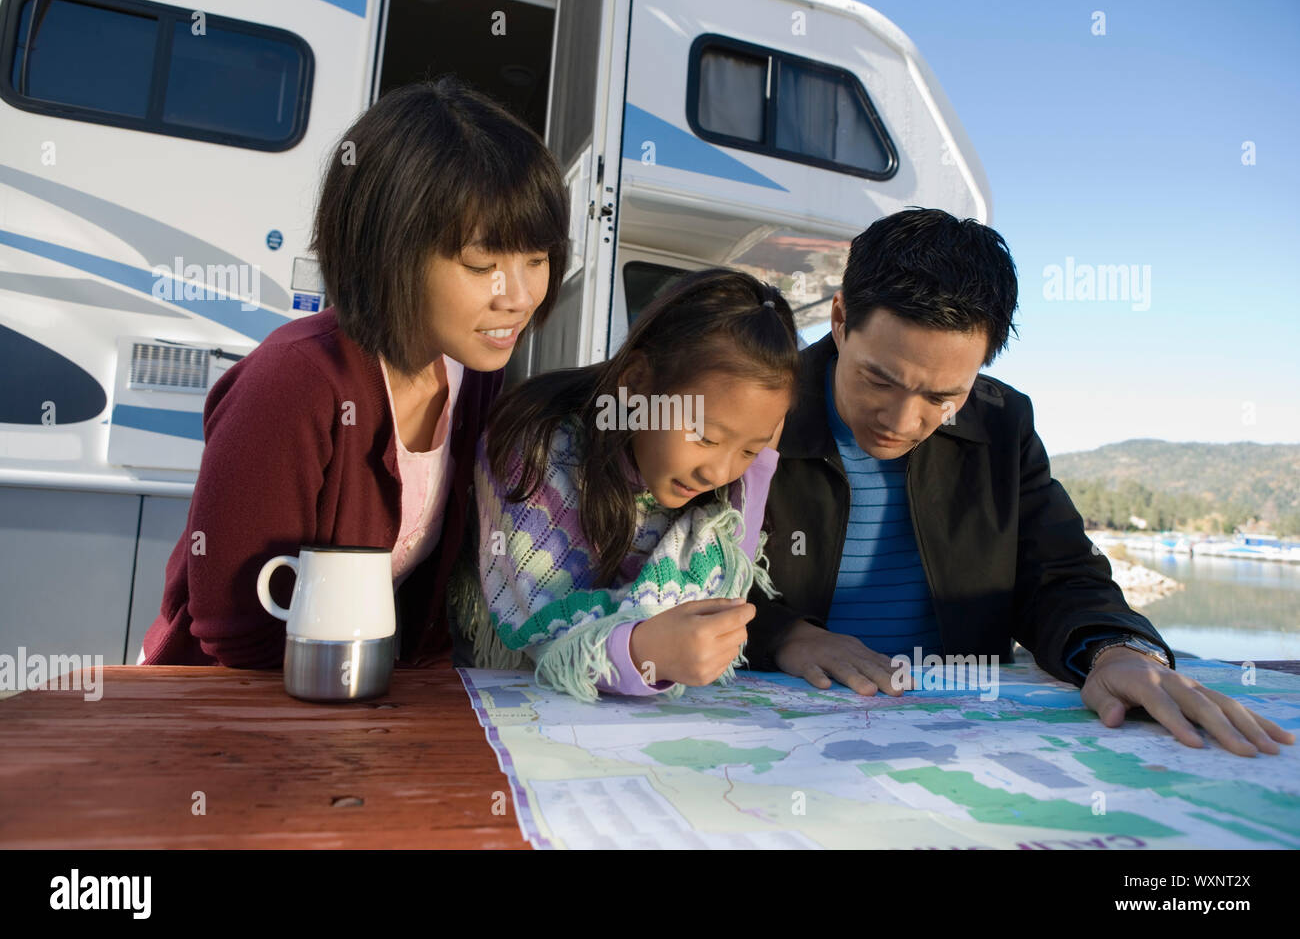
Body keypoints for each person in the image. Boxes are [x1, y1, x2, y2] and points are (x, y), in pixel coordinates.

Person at [746, 207, 1294, 757]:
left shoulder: (1002, 423)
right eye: (878, 379)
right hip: (782, 727)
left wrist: (1115, 651)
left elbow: (1060, 572)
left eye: (942, 396)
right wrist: (785, 635)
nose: (902, 421)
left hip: (953, 737)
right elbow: (697, 571)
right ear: (840, 318)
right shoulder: (754, 409)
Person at [140, 75, 569, 668]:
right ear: (390, 249)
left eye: (538, 259)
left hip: (361, 696)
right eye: (481, 265)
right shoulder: (293, 383)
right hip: (229, 699)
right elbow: (234, 633)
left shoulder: (474, 371)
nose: (518, 297)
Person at [457, 269, 797, 701]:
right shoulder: (536, 448)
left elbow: (729, 581)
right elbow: (542, 627)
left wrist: (759, 466)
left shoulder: (719, 478)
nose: (718, 473)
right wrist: (640, 651)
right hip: (502, 695)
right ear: (635, 384)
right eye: (706, 437)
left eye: (748, 449)